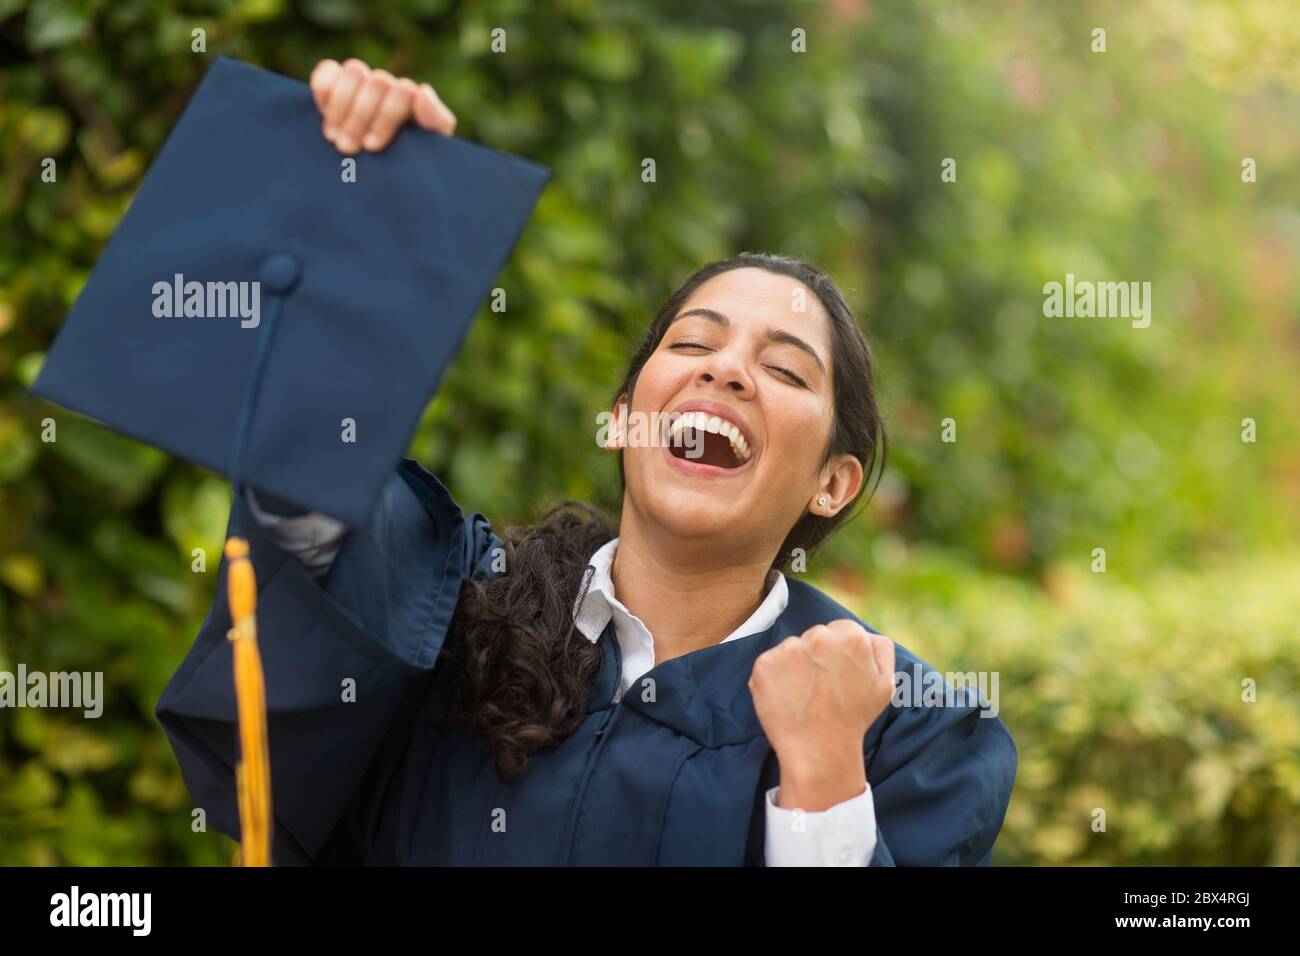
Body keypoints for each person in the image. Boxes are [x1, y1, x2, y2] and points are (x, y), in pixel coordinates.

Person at [156, 58, 1017, 866]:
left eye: (786, 369)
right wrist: (360, 207)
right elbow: (309, 489)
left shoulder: (907, 731)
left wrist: (826, 774)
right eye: (692, 343)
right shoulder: (453, 608)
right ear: (621, 424)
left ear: (835, 481)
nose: (724, 370)